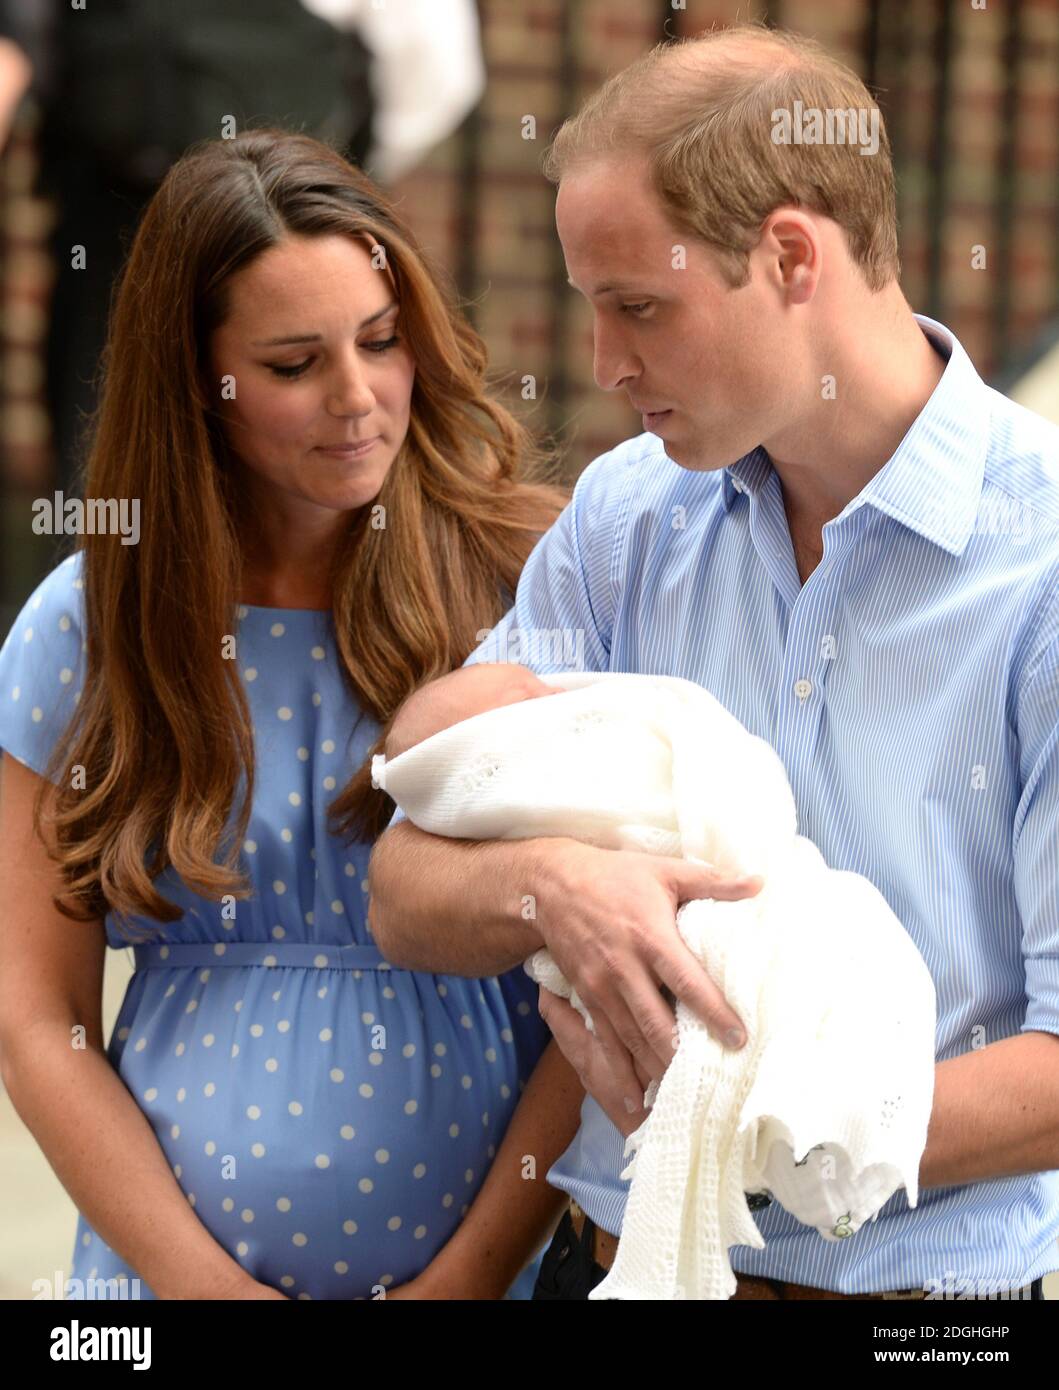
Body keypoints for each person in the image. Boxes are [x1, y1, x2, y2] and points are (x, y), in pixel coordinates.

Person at [368, 23, 1059, 1300]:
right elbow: (404, 877)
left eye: (639, 306)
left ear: (792, 255)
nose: (603, 365)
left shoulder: (1046, 567)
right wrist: (550, 885)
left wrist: (739, 1114)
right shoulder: (626, 519)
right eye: (593, 308)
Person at [0, 126, 575, 1300]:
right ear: (196, 383)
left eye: (381, 341)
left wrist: (468, 1279)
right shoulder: (90, 625)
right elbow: (32, 1018)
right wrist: (201, 1291)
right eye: (293, 364)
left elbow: (600, 995)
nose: (357, 398)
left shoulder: (529, 588)